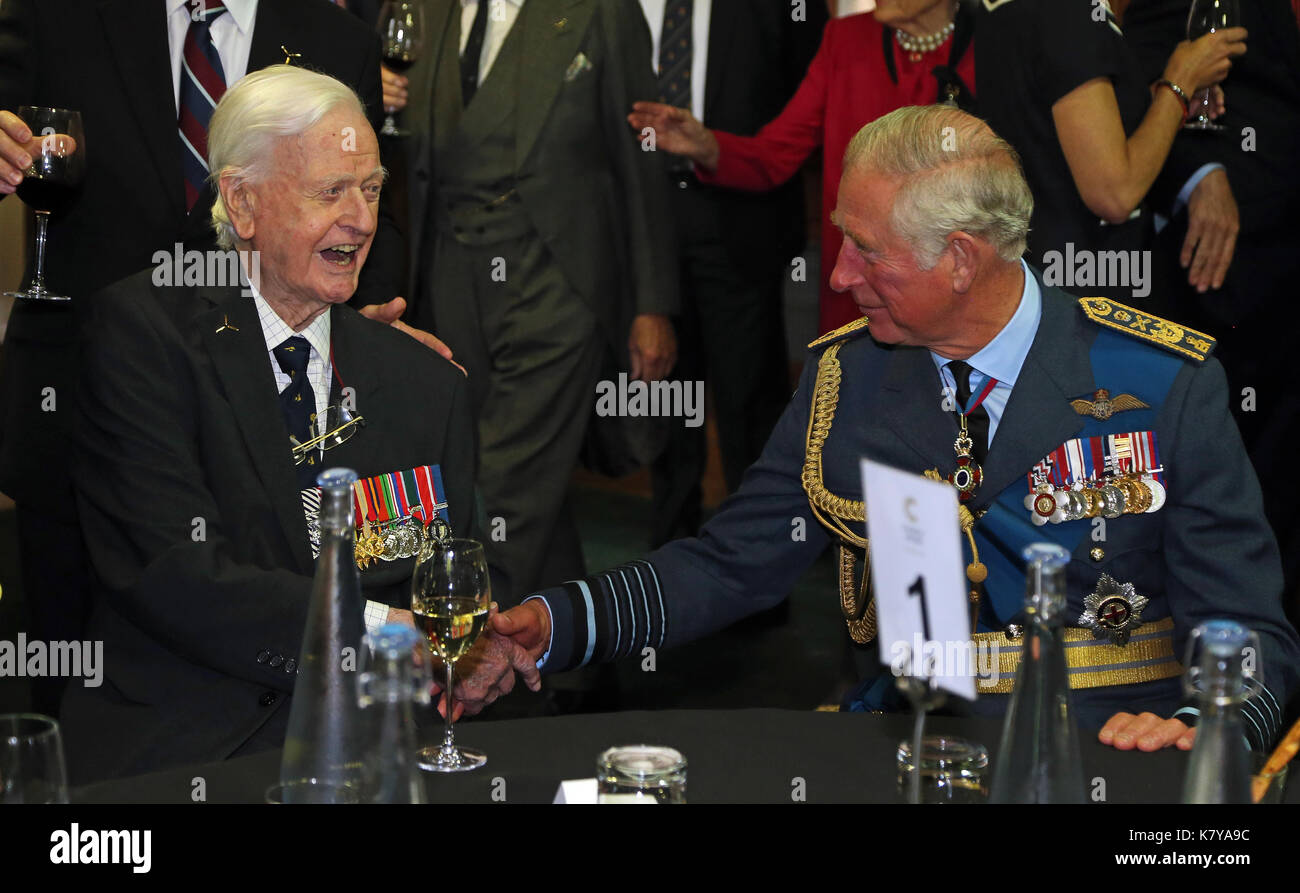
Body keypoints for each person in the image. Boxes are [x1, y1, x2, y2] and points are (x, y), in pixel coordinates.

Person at [472, 106, 1300, 753]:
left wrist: (1205, 723)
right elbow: (732, 565)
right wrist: (560, 621)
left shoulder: (1162, 385)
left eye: (867, 252)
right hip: (904, 742)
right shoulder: (849, 378)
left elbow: (1254, 630)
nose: (838, 274)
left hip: (1104, 745)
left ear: (962, 261)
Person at [0, 0, 430, 716]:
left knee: (236, 653)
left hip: (257, 430)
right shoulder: (59, 13)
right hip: (72, 408)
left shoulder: (335, 38)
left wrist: (370, 332)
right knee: (68, 685)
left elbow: (366, 194)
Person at [59, 66, 476, 784]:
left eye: (371, 188)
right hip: (188, 741)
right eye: (330, 191)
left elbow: (466, 576)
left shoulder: (423, 381)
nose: (362, 218)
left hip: (378, 748)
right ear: (242, 202)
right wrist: (376, 632)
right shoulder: (143, 337)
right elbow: (175, 574)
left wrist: (472, 657)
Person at [400, 0, 680, 604]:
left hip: (560, 274)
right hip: (448, 265)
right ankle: (571, 657)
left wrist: (652, 303)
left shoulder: (602, 12)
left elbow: (643, 157)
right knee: (482, 463)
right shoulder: (424, 10)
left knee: (508, 476)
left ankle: (469, 647)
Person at [628, 0, 976, 335]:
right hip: (860, 284)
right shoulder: (845, 39)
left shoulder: (996, 41)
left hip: (955, 282)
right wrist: (706, 145)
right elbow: (772, 157)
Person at [1123, 0, 1300, 631]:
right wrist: (1199, 174)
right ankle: (1242, 668)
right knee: (1245, 475)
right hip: (1237, 265)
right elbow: (1139, 69)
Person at [635, 0, 826, 548]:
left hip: (742, 220)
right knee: (665, 400)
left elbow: (808, 99)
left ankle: (756, 568)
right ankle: (669, 561)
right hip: (649, 218)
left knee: (749, 406)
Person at [975, 0, 1244, 312]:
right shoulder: (1072, 13)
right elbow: (1115, 194)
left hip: (1029, 274)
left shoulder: (1002, 9)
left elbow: (1046, 123)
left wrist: (1164, 104)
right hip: (1087, 292)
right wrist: (1181, 81)